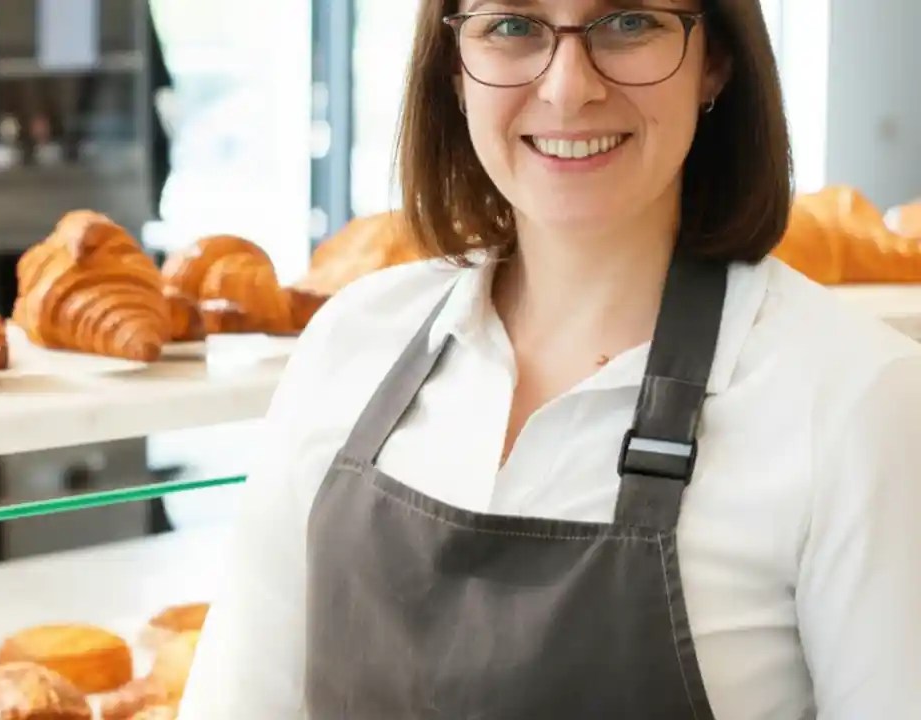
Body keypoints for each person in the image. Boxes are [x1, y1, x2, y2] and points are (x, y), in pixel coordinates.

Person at [177, 0, 921, 718]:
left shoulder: (859, 399)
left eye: (630, 22)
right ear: (454, 70)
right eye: (511, 25)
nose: (569, 88)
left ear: (715, 63)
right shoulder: (350, 344)